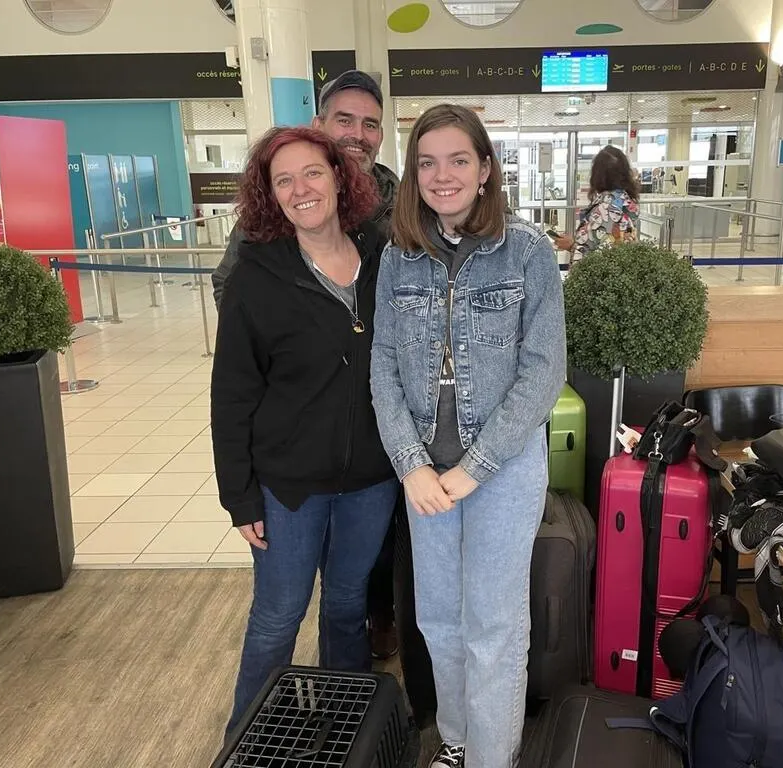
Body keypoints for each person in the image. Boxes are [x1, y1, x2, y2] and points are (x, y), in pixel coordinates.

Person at [370, 104, 566, 768]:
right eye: (426, 162)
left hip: (501, 469)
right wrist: (410, 464)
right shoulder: (399, 256)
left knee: (494, 626)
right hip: (424, 470)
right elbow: (384, 370)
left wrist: (474, 467)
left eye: (458, 160)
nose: (441, 175)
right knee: (439, 623)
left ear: (485, 170)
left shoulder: (529, 251)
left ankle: (492, 757)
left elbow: (544, 373)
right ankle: (456, 743)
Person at [211, 125, 399, 736]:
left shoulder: (384, 260)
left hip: (371, 479)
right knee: (278, 615)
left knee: (346, 608)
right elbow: (232, 395)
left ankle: (345, 731)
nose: (301, 189)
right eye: (283, 180)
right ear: (270, 196)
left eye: (312, 173)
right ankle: (253, 736)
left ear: (339, 178)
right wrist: (238, 495)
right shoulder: (256, 277)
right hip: (288, 487)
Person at [211, 70, 398, 309]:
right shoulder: (278, 204)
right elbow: (228, 285)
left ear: (380, 135)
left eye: (370, 124)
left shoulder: (402, 206)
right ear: (318, 125)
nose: (357, 135)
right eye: (344, 120)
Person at [555, 144, 641, 266]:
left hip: (606, 279)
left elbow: (589, 255)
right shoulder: (626, 202)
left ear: (597, 175)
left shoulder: (606, 209)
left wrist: (571, 245)